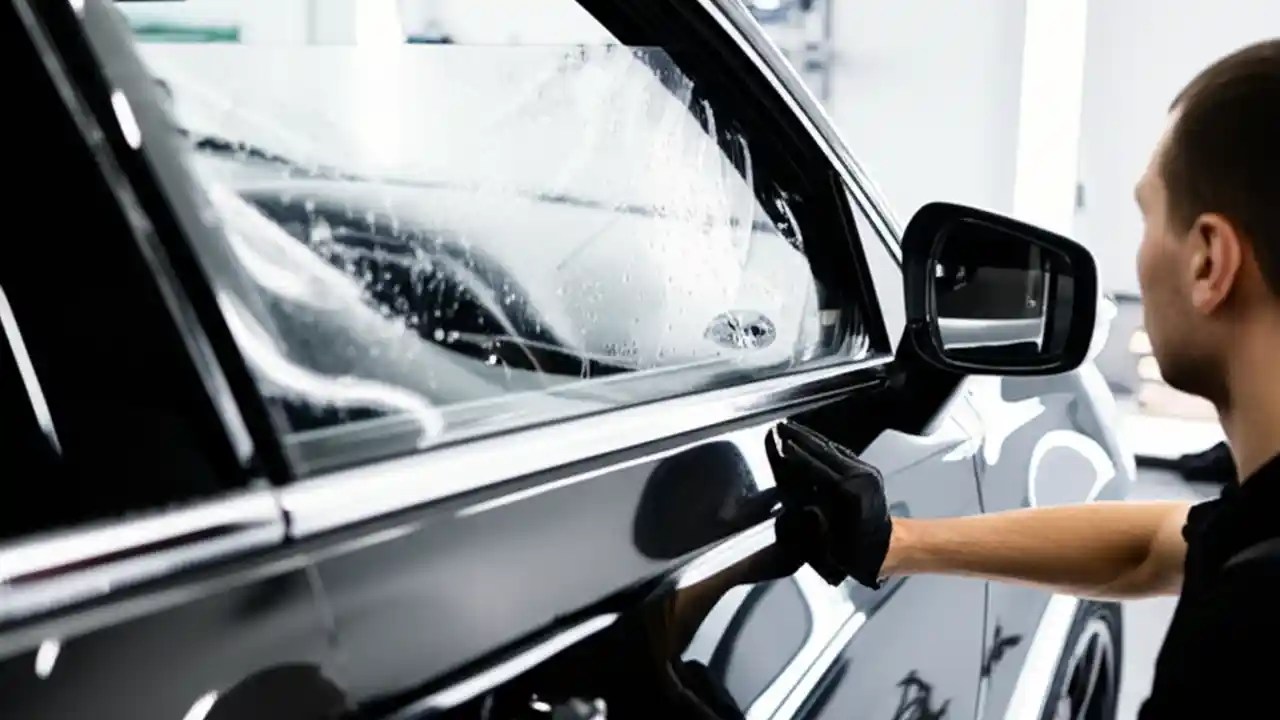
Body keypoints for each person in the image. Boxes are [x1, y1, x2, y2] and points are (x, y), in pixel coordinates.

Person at [768, 39, 1280, 718]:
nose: (1137, 256)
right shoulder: (1255, 534)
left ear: (1208, 261)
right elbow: (1159, 546)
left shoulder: (1246, 640)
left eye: (1148, 217)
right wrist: (896, 543)